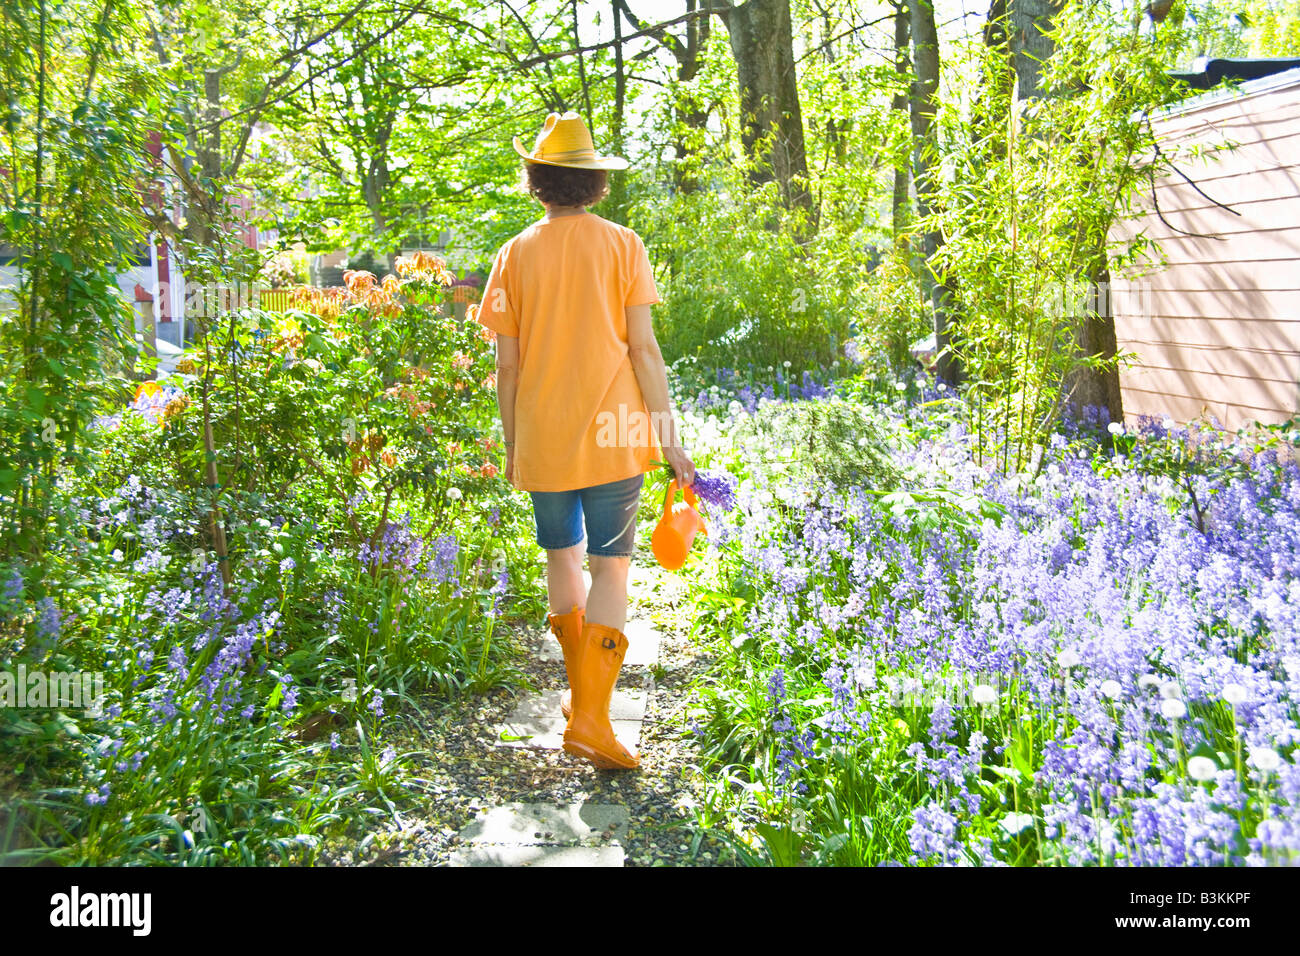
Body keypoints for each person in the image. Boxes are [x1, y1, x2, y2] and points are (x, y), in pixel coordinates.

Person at [475, 112, 695, 771]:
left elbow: (506, 368)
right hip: (614, 430)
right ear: (595, 182)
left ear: (537, 181)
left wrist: (516, 444)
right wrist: (670, 440)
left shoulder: (513, 254)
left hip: (543, 431)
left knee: (562, 560)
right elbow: (646, 351)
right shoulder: (624, 245)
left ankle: (582, 705)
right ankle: (594, 716)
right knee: (612, 566)